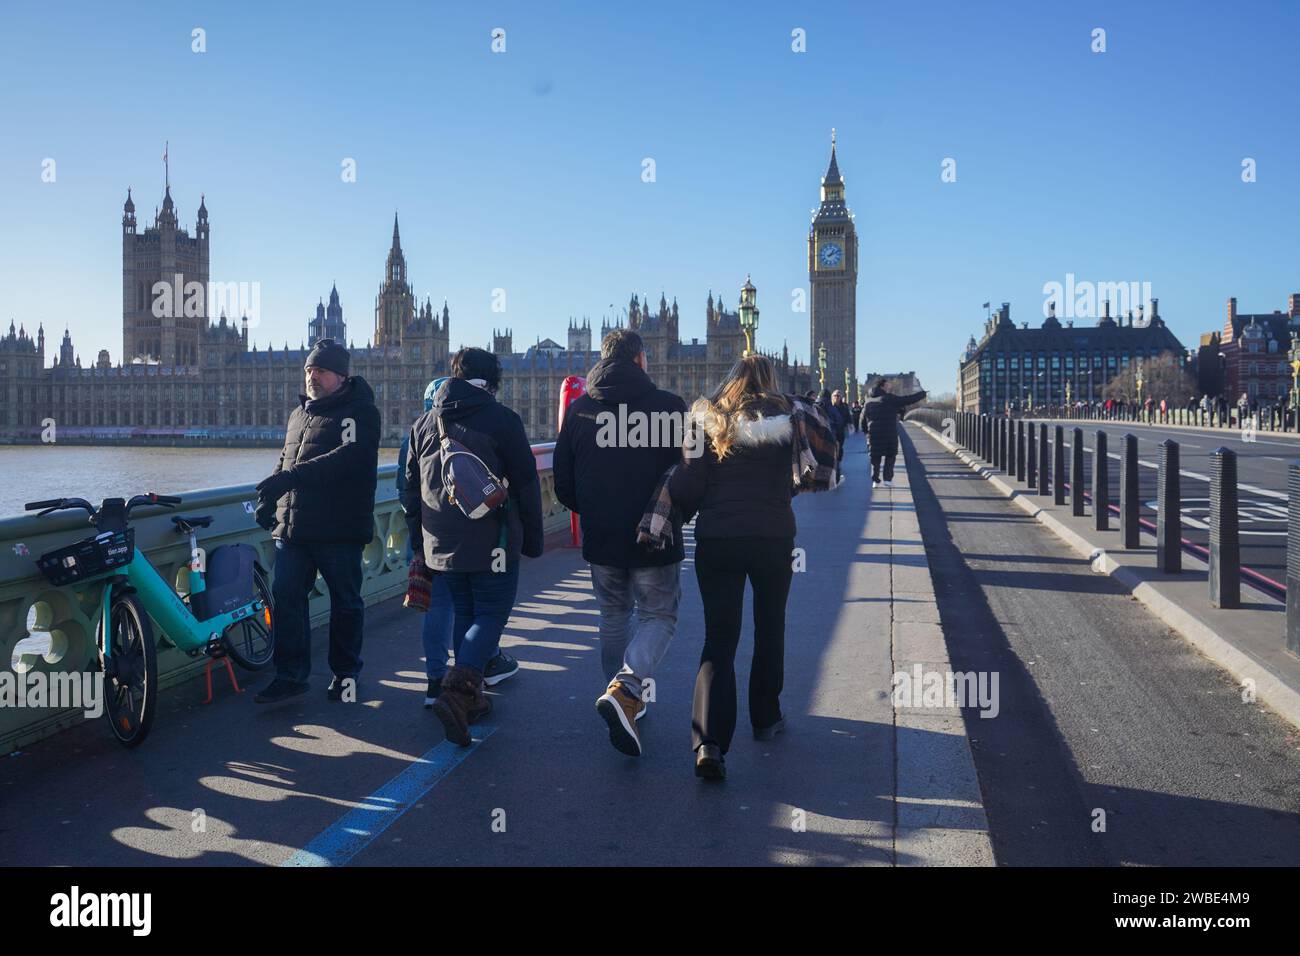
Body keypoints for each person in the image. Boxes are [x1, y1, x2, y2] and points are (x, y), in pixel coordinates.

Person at [668, 354, 832, 781]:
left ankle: (709, 742)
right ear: (770, 381)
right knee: (769, 626)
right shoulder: (791, 419)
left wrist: (669, 516)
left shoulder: (706, 422)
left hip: (718, 541)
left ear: (729, 381)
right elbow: (818, 462)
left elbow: (686, 486)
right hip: (773, 539)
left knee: (719, 639)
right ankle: (766, 716)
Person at [553, 328, 686, 757]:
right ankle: (627, 691)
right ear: (641, 360)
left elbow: (563, 483)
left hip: (602, 536)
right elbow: (690, 475)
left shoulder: (579, 412)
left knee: (613, 615)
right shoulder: (669, 407)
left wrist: (593, 511)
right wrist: (678, 516)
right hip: (655, 537)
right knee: (659, 616)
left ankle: (621, 695)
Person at [403, 347, 544, 746]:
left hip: (441, 543)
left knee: (466, 610)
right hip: (492, 540)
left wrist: (421, 542)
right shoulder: (502, 420)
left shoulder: (424, 423)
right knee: (493, 612)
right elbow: (527, 483)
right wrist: (532, 538)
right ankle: (457, 692)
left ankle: (471, 697)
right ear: (492, 381)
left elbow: (410, 491)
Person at [253, 338, 380, 704]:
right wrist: (271, 496)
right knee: (287, 597)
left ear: (341, 375)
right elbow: (286, 459)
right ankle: (290, 675)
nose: (312, 376)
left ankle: (345, 674)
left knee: (345, 602)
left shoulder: (360, 412)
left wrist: (291, 478)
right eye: (309, 369)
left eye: (321, 370)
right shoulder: (299, 414)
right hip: (295, 528)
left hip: (339, 527)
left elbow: (350, 457)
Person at [397, 378, 470, 708]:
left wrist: (417, 539)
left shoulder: (415, 432)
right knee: (470, 607)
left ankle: (435, 681)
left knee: (437, 608)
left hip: (430, 535)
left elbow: (406, 492)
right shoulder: (470, 429)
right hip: (469, 537)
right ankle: (466, 681)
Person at [860, 380, 927, 488]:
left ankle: (875, 480)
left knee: (875, 457)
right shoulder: (889, 398)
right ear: (883, 386)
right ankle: (887, 479)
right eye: (888, 384)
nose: (890, 386)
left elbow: (862, 419)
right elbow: (906, 400)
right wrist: (921, 394)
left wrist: (866, 433)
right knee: (890, 455)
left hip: (874, 434)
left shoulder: (868, 401)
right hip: (889, 432)